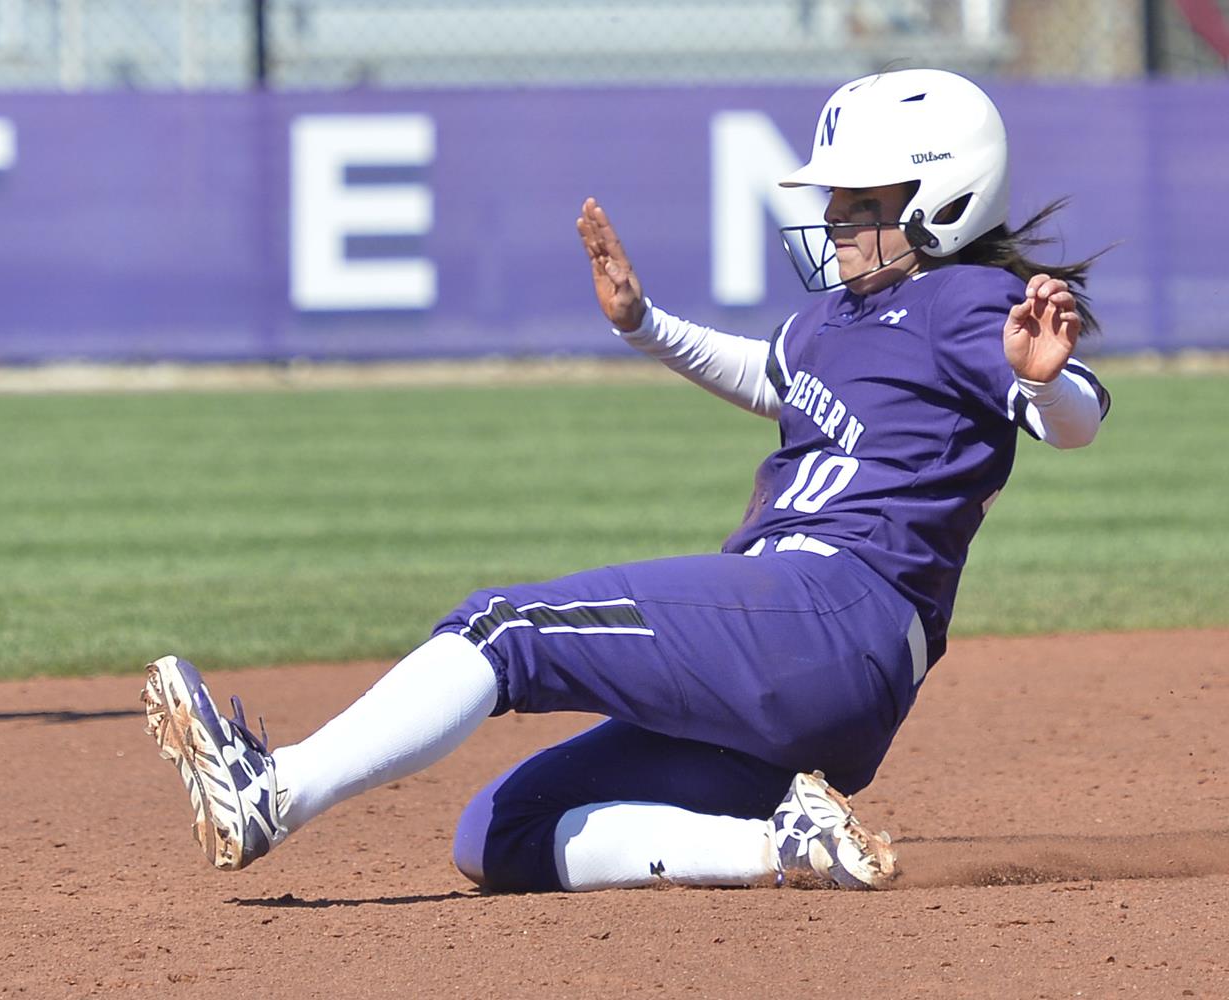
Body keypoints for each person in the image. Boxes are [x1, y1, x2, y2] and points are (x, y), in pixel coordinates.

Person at [141, 68, 1111, 891]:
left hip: (828, 607)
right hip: (817, 670)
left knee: (502, 628)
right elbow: (770, 376)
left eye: (860, 200)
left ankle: (272, 791)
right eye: (832, 197)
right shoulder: (834, 319)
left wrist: (1044, 378)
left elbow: (1071, 419)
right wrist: (645, 324)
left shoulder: (965, 299)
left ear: (940, 199)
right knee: (499, 833)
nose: (831, 216)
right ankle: (781, 844)